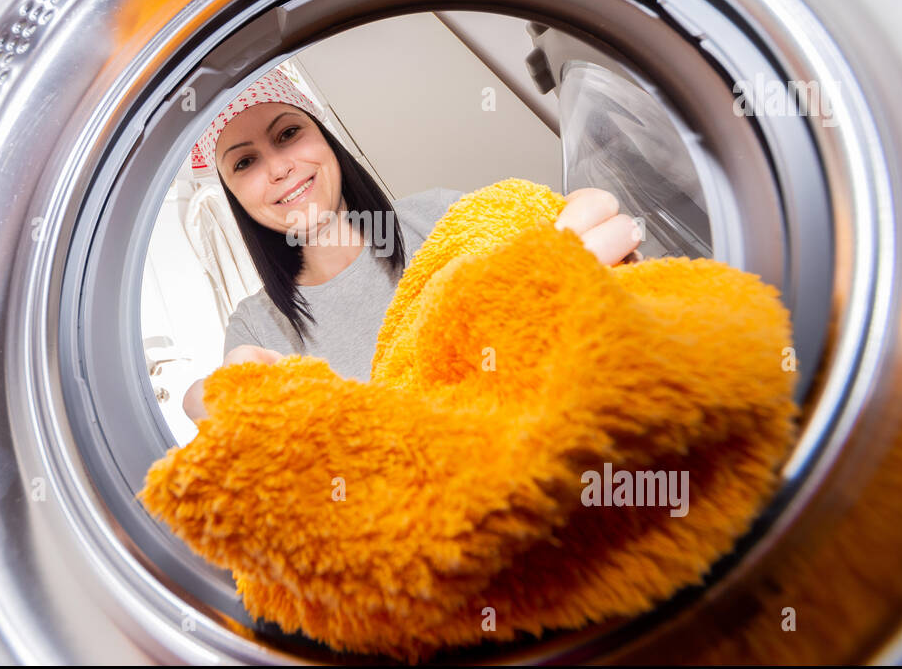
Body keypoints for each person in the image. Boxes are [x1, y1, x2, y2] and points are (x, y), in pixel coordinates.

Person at [182, 67, 642, 422]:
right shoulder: (257, 328)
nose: (279, 168)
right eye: (245, 162)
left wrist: (581, 247)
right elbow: (232, 415)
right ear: (235, 195)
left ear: (325, 139)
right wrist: (213, 401)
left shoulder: (440, 219)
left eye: (287, 133)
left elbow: (571, 238)